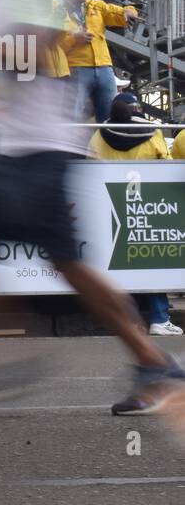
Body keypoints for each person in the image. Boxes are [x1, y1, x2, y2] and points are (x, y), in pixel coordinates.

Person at [0, 0, 185, 416]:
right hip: (11, 148)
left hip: (42, 147)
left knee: (66, 264)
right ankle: (128, 358)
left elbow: (47, 47)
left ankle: (136, 358)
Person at [85, 93, 182, 336]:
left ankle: (124, 320)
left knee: (113, 266)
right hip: (147, 206)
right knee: (150, 259)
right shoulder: (153, 132)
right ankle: (159, 318)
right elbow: (167, 164)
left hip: (108, 207)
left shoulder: (99, 134)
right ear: (137, 109)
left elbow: (89, 166)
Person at [61, 0, 138, 123]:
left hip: (104, 68)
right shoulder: (55, 8)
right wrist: (74, 39)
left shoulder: (96, 6)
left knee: (110, 119)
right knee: (72, 117)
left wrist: (129, 12)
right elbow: (50, 42)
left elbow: (123, 11)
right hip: (76, 68)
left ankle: (107, 144)